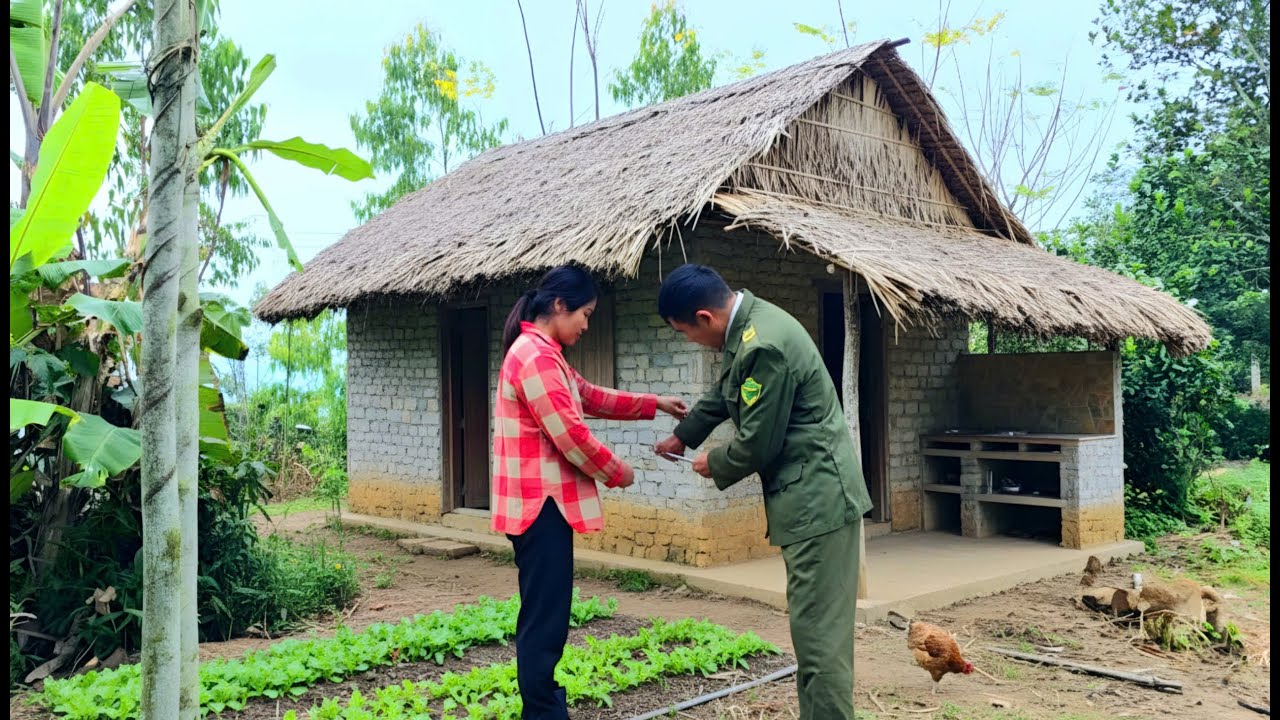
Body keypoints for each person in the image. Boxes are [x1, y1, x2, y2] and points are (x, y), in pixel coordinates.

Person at [653, 264, 872, 719]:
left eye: (684, 333)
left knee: (819, 641)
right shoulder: (752, 326)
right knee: (813, 634)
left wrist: (711, 462)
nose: (688, 342)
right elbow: (727, 391)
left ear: (705, 317)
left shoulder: (762, 346)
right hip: (811, 499)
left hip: (818, 501)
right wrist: (685, 434)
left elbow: (759, 442)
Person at [494, 265, 688, 720]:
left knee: (546, 617)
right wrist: (618, 472)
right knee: (544, 624)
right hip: (539, 508)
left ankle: (542, 709)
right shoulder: (535, 357)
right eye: (584, 313)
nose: (586, 324)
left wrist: (652, 404)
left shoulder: (546, 353)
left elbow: (589, 396)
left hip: (540, 508)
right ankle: (544, 713)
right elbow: (571, 435)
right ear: (559, 306)